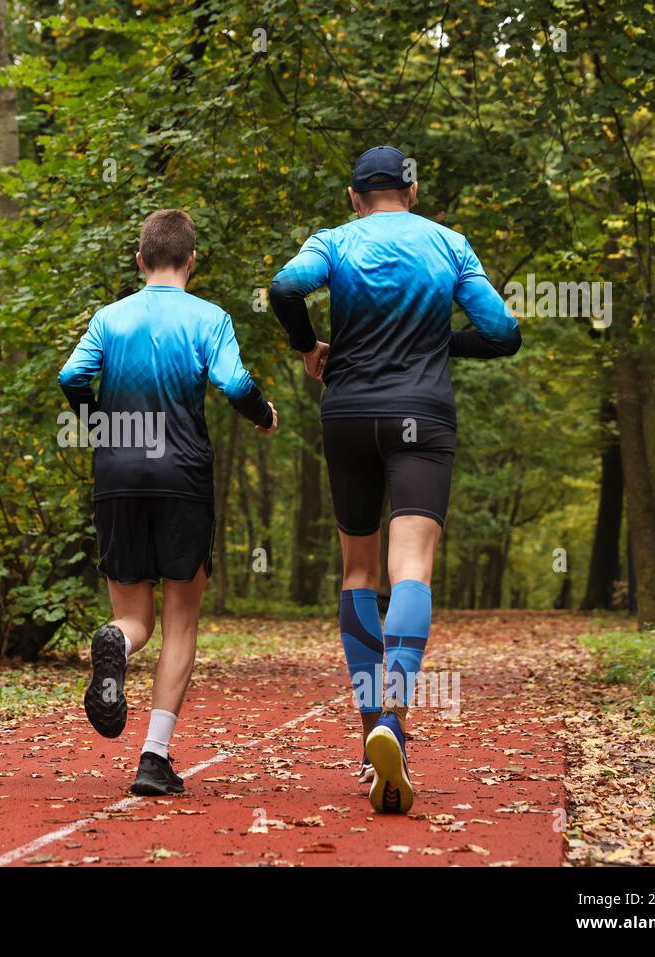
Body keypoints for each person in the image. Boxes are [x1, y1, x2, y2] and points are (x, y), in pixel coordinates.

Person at [268, 146, 521, 814]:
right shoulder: (449, 244)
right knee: (411, 565)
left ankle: (372, 734)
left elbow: (284, 288)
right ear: (411, 191)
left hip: (348, 412)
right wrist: (440, 342)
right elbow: (503, 333)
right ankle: (395, 713)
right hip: (422, 417)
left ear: (354, 197)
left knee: (358, 572)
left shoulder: (335, 241)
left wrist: (308, 346)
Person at [58, 209, 278, 796]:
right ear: (191, 260)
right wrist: (264, 415)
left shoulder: (110, 318)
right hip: (182, 478)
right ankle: (154, 759)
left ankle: (118, 643)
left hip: (118, 476)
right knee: (181, 622)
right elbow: (234, 385)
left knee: (135, 617)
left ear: (139, 260)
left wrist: (101, 426)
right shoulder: (210, 318)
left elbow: (70, 377)